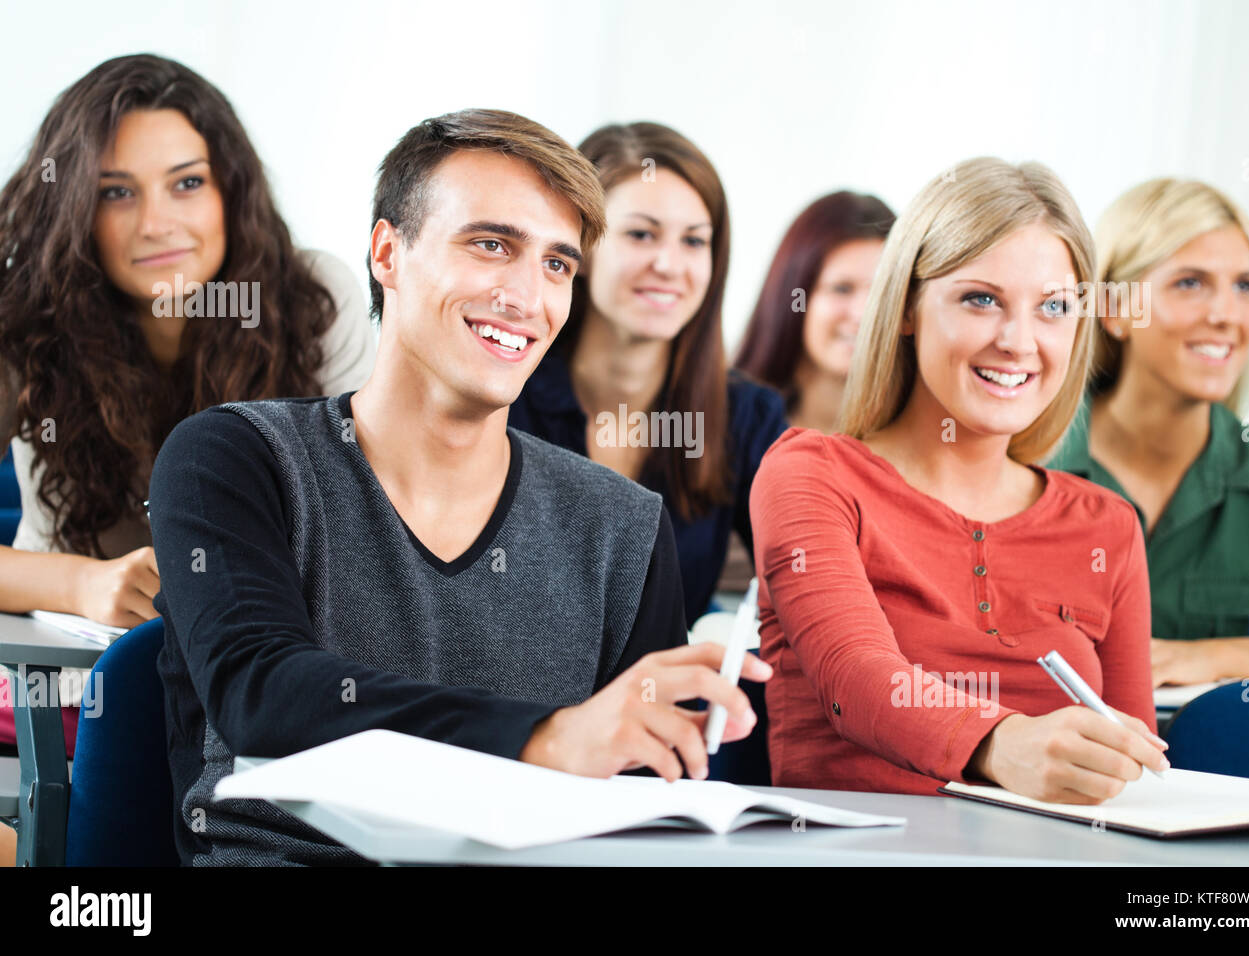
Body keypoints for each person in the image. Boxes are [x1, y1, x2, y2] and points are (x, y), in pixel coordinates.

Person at [149, 109, 770, 866]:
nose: (525, 295)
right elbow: (262, 690)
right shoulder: (235, 458)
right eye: (491, 245)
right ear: (388, 252)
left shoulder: (624, 529)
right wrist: (543, 738)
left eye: (556, 265)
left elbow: (634, 806)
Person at [751, 157, 1168, 804]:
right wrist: (1000, 745)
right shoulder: (811, 475)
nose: (1018, 340)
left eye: (1053, 307)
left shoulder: (1106, 525)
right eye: (981, 299)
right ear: (908, 309)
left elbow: (1130, 762)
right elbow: (859, 682)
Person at [0, 54, 376, 759]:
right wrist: (82, 582)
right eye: (116, 193)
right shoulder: (27, 318)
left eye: (187, 184)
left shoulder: (314, 299)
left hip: (272, 683)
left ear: (231, 191)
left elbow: (369, 530)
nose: (156, 223)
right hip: (73, 686)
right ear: (72, 204)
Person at [508, 122, 787, 626]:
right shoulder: (506, 390)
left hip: (679, 702)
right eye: (641, 234)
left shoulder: (746, 416)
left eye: (694, 242)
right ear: (580, 248)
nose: (669, 264)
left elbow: (805, 585)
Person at [1049, 178, 1249, 686]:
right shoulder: (1026, 455)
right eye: (1190, 283)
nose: (1226, 314)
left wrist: (1205, 658)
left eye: (1244, 286)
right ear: (1116, 309)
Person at [735, 190, 895, 432]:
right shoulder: (727, 424)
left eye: (883, 292)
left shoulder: (926, 438)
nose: (864, 314)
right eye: (841, 289)